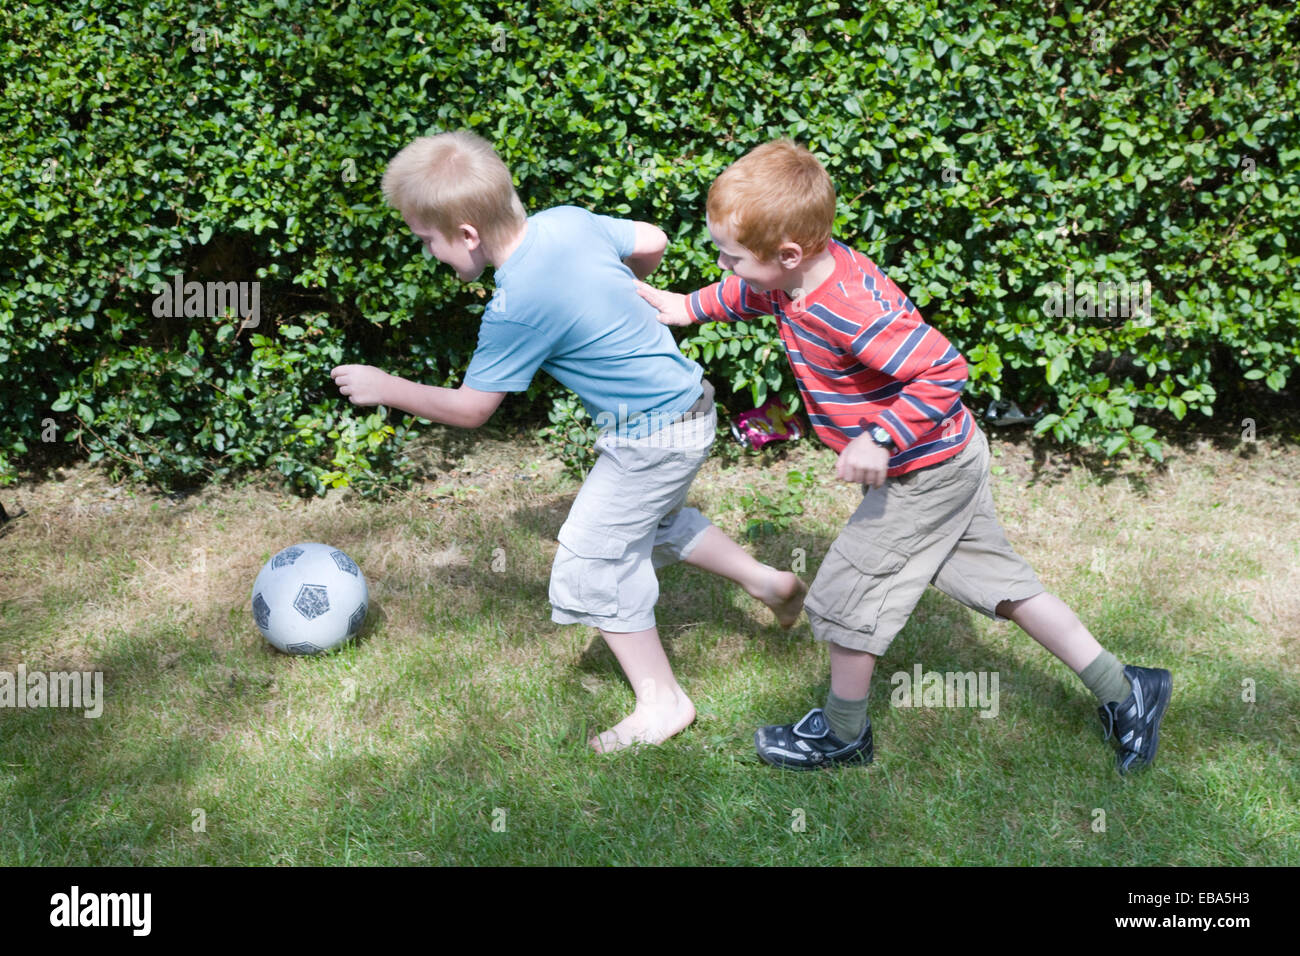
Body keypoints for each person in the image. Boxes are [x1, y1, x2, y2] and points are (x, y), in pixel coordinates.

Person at [637, 139, 1172, 773]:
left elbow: (944, 371)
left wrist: (881, 436)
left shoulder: (850, 306)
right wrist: (687, 308)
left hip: (925, 471)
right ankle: (1127, 689)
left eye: (730, 256)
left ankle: (842, 735)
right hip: (945, 458)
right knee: (997, 584)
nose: (723, 266)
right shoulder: (792, 279)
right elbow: (751, 294)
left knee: (844, 596)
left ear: (786, 253)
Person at [330, 131, 806, 753]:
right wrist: (614, 290)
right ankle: (768, 583)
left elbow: (473, 409)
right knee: (653, 521)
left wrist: (385, 385)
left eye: (429, 241)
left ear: (467, 234)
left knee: (592, 558)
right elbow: (653, 240)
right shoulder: (567, 222)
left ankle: (664, 702)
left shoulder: (516, 306)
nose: (431, 254)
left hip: (653, 435)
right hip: (691, 407)